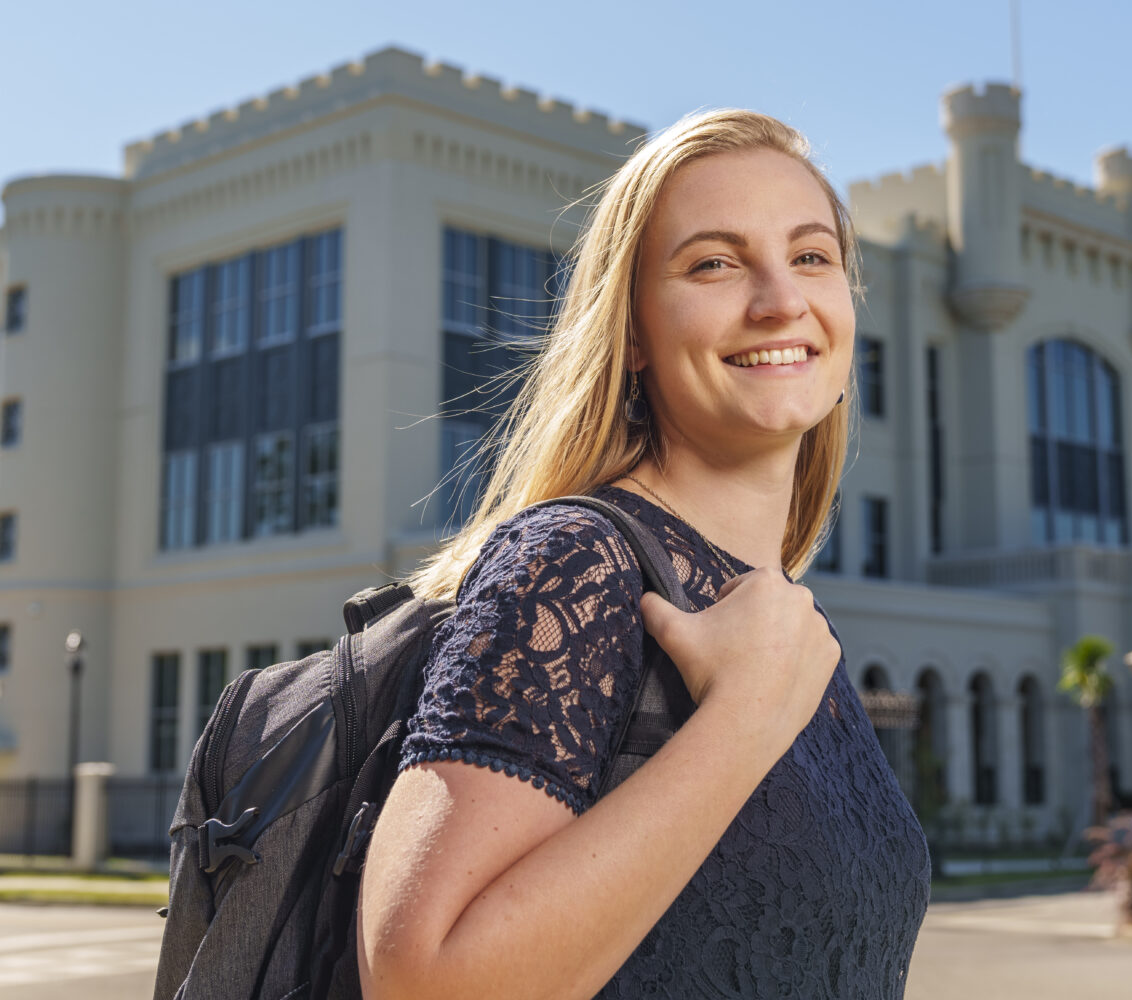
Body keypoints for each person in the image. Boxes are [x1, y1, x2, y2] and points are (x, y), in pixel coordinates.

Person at [357, 108, 930, 999]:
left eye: (812, 257)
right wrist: (742, 720)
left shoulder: (778, 619)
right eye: (714, 263)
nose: (783, 300)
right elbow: (424, 977)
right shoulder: (573, 564)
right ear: (629, 334)